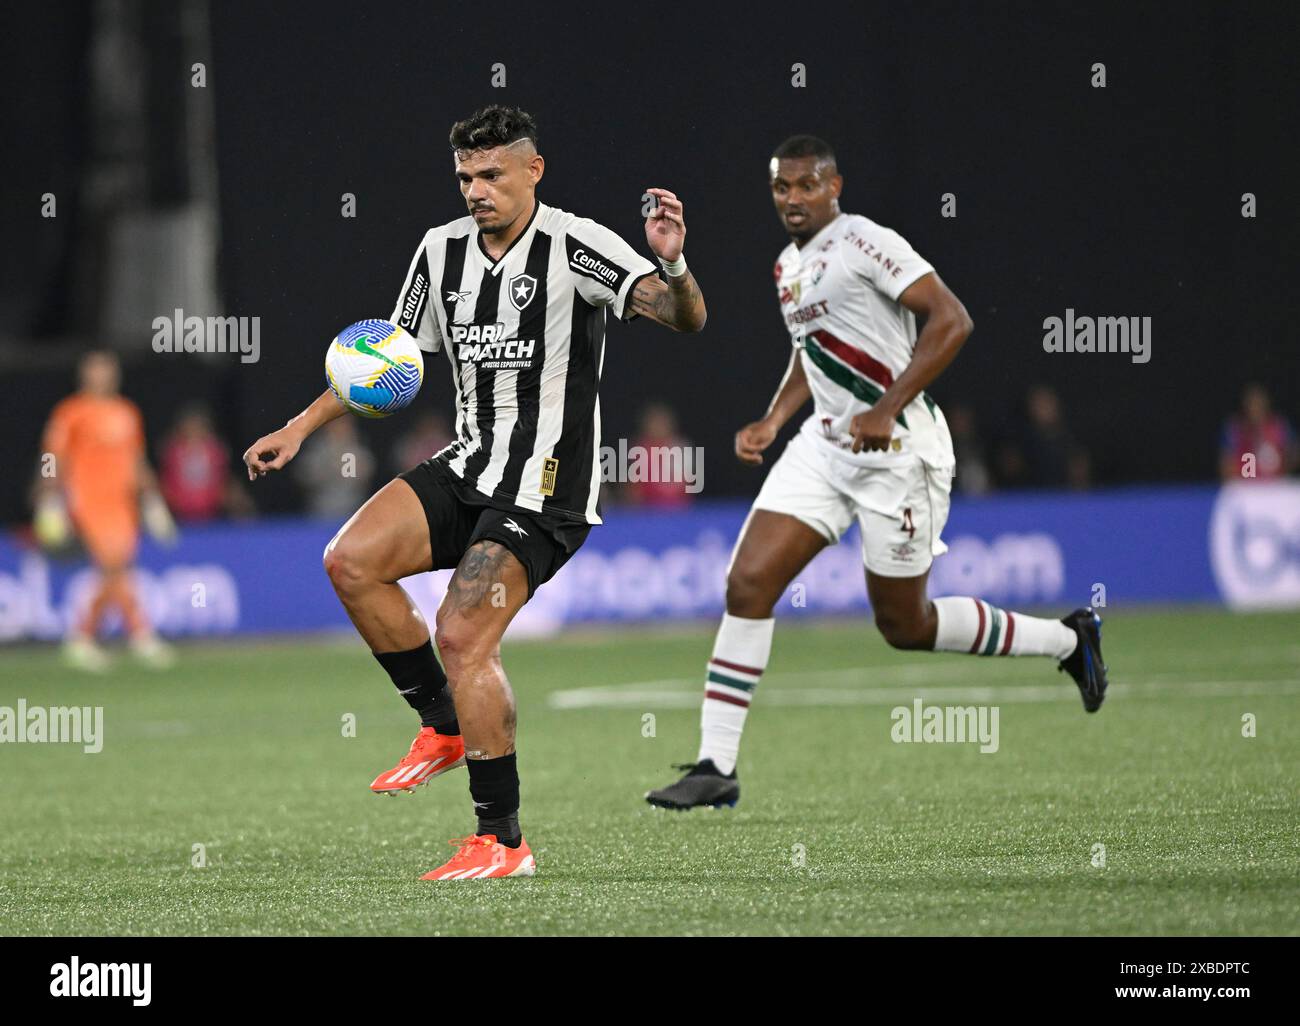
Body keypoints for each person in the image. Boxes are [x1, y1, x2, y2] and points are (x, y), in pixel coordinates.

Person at [242, 105, 706, 879]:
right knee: (349, 560)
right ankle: (444, 724)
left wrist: (675, 266)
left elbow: (683, 320)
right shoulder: (439, 251)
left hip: (546, 488)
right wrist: (299, 428)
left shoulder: (577, 244)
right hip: (467, 466)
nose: (476, 191)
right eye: (465, 177)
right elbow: (382, 360)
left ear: (534, 170)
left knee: (462, 637)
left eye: (492, 174)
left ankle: (503, 840)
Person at [645, 135, 1106, 811]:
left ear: (835, 187)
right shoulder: (786, 267)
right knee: (747, 583)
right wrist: (774, 421)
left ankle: (1069, 638)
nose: (794, 199)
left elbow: (952, 319)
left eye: (808, 186)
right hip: (826, 447)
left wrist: (887, 408)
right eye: (782, 188)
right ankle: (717, 765)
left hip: (899, 454)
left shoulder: (865, 241)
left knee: (905, 626)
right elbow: (813, 352)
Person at [36, 351, 176, 671]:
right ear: (85, 375)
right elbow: (51, 457)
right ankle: (141, 635)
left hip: (122, 503)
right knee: (114, 561)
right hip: (89, 500)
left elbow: (137, 460)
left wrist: (153, 501)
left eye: (108, 370)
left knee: (116, 569)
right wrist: (49, 500)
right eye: (96, 371)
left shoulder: (127, 412)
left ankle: (82, 638)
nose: (103, 376)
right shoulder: (71, 412)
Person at [1219, 383, 1297, 482]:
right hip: (1244, 486)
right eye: (1252, 404)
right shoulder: (1234, 429)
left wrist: (1282, 467)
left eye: (1258, 404)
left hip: (1276, 486)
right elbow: (1225, 462)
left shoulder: (1279, 427)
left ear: (1266, 405)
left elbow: (1293, 453)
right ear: (1245, 406)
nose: (1255, 408)